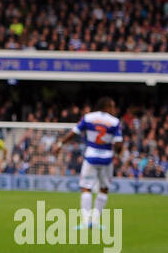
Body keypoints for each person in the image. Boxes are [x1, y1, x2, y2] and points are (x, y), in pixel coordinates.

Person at [53, 96, 123, 229]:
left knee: (86, 188)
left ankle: (85, 222)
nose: (114, 109)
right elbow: (119, 143)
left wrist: (60, 143)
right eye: (112, 106)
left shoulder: (88, 118)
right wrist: (117, 154)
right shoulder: (114, 122)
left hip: (91, 156)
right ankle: (95, 222)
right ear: (107, 107)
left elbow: (74, 133)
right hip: (106, 158)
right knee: (104, 188)